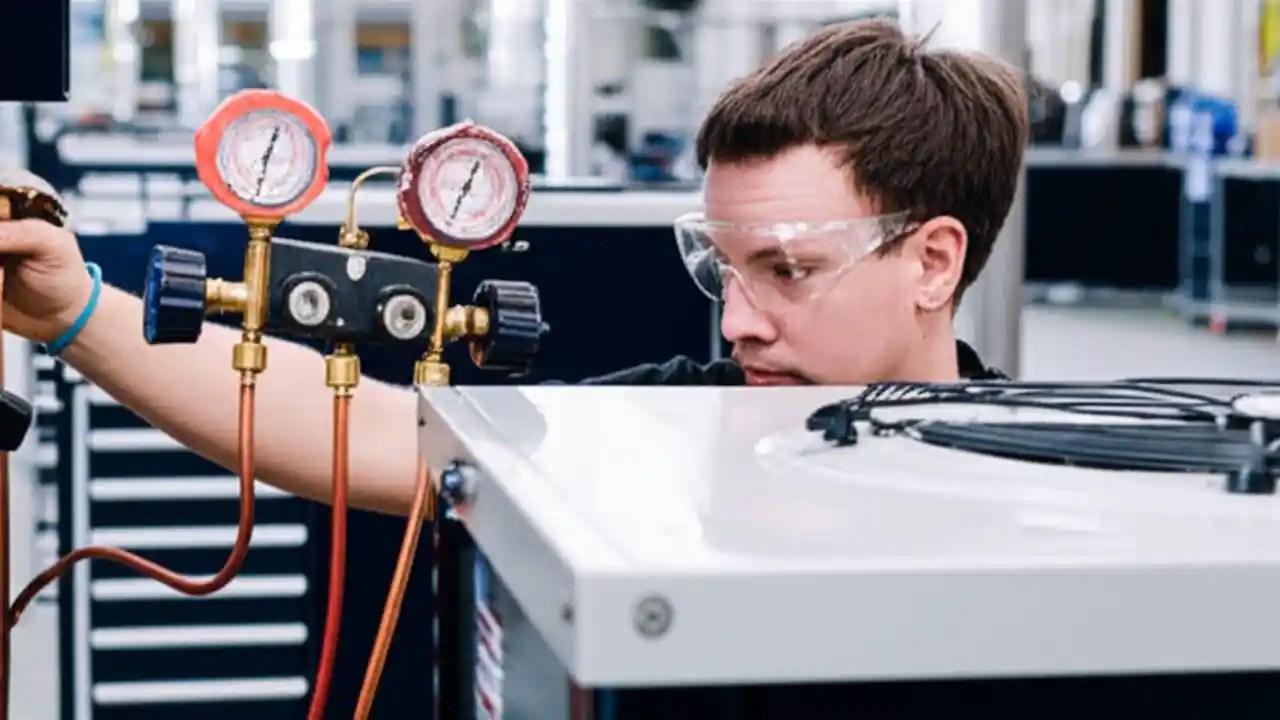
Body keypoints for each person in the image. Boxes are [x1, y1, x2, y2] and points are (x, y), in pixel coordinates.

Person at [0, 19, 1027, 517]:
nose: (737, 325)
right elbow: (380, 436)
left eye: (787, 270)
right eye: (723, 269)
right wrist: (73, 304)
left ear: (931, 261)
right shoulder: (686, 427)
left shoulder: (1051, 479)